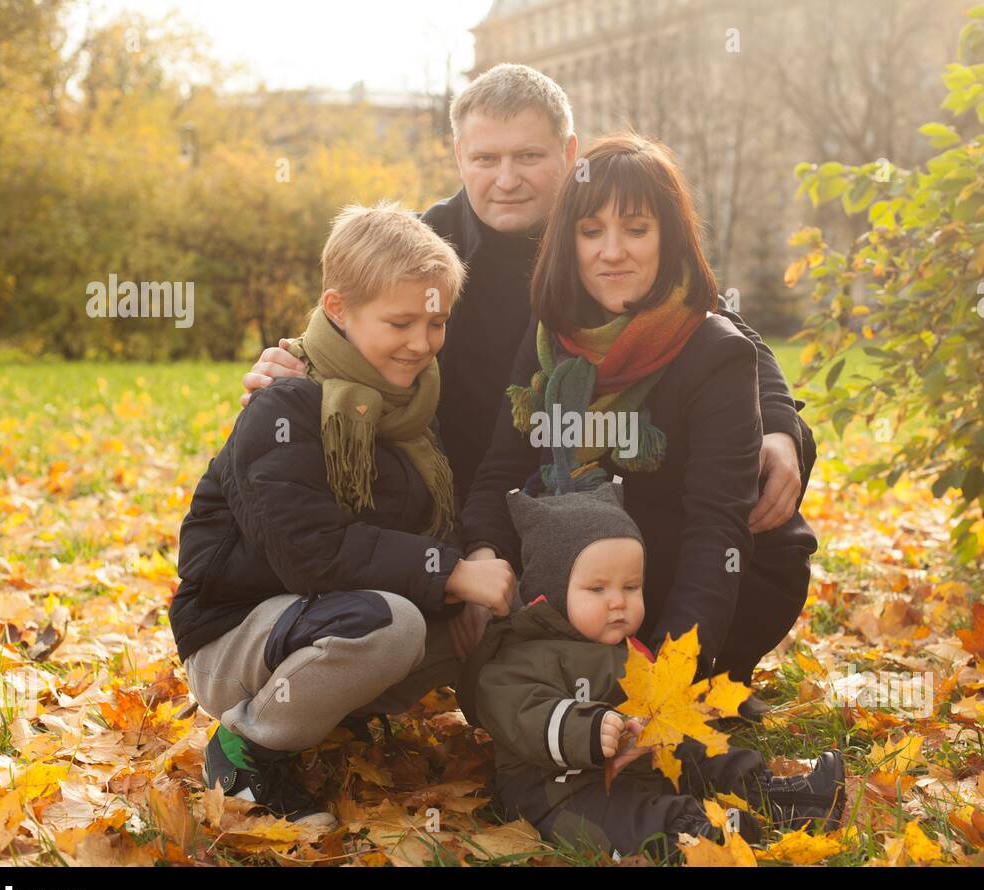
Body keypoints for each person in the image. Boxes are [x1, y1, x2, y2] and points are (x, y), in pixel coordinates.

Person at [241, 65, 816, 700]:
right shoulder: (428, 247)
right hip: (476, 497)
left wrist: (780, 423)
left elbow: (718, 329)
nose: (506, 178)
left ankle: (679, 671)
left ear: (569, 155)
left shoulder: (601, 229)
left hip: (595, 494)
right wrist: (294, 368)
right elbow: (350, 322)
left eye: (529, 156)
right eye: (485, 157)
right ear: (459, 155)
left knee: (695, 520)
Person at [169, 202, 516, 821]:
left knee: (484, 620)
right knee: (395, 623)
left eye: (435, 324)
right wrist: (448, 572)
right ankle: (244, 746)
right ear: (338, 309)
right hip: (236, 636)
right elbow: (311, 553)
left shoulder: (406, 409)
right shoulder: (284, 407)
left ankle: (539, 745)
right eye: (401, 322)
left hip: (325, 620)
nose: (422, 344)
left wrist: (463, 584)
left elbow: (420, 525)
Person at [462, 132, 818, 691]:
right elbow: (502, 471)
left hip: (722, 579)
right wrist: (484, 556)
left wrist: (668, 682)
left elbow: (715, 531)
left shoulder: (713, 349)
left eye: (636, 229)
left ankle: (705, 676)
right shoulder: (551, 338)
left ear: (668, 238)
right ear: (569, 242)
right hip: (604, 578)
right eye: (591, 231)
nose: (612, 251)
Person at [456, 482, 844, 862]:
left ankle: (783, 795)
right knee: (622, 817)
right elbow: (522, 713)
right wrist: (589, 728)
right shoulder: (519, 656)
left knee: (701, 751)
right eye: (597, 589)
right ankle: (689, 834)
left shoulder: (628, 650)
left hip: (638, 765)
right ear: (552, 591)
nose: (618, 603)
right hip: (559, 790)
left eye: (631, 587)